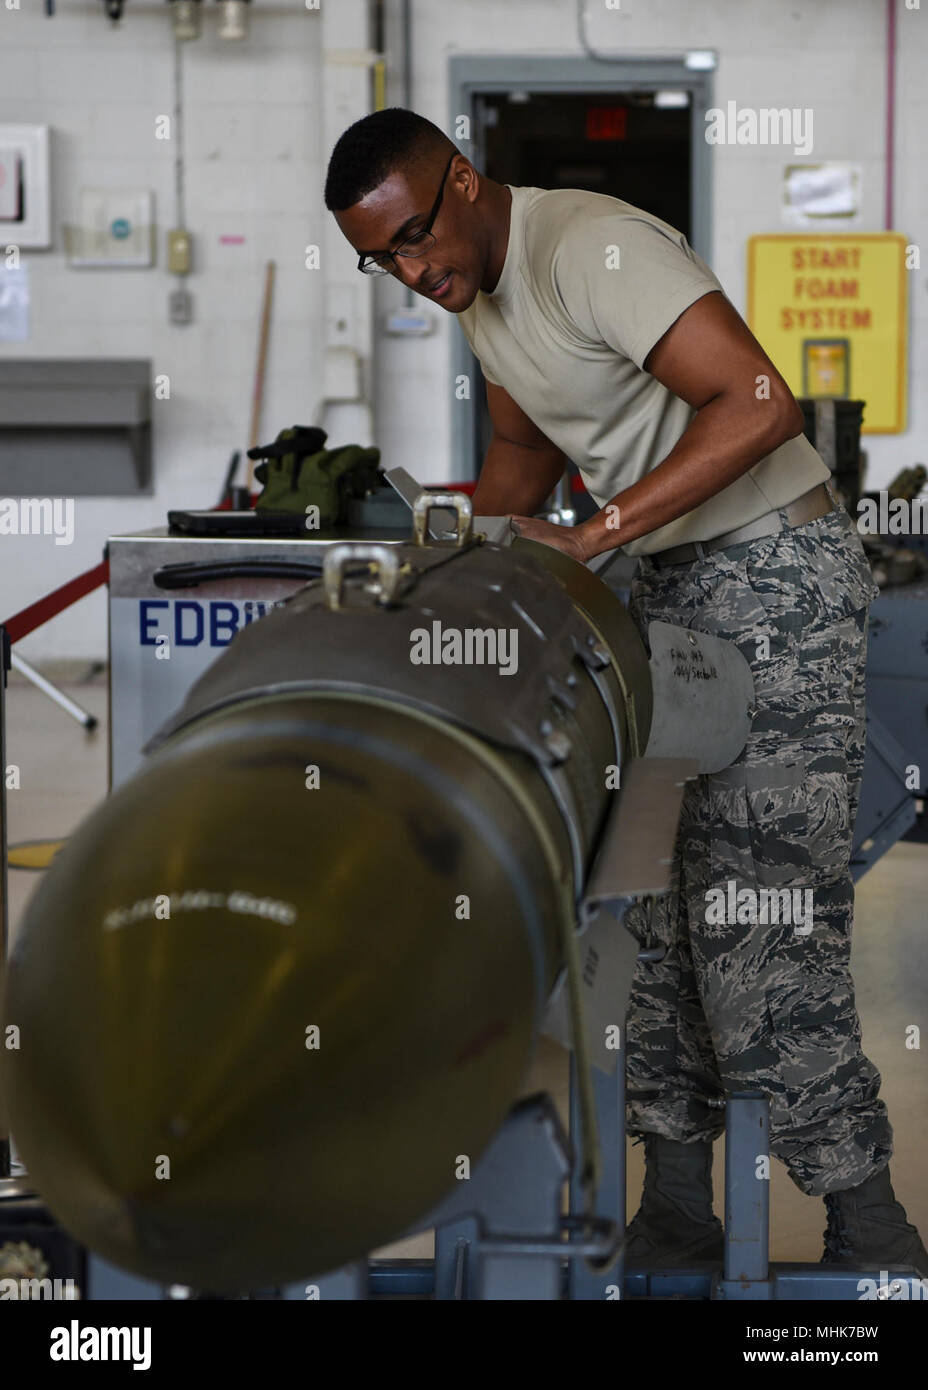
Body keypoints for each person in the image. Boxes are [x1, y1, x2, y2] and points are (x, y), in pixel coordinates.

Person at [325, 106, 928, 1277]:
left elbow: (758, 400)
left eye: (412, 237)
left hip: (772, 579)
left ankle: (869, 1221)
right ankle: (676, 1203)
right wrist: (451, 581)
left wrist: (589, 536)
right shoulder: (481, 304)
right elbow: (517, 466)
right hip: (665, 594)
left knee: (763, 921)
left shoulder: (591, 249)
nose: (410, 273)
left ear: (462, 178)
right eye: (379, 259)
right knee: (649, 914)